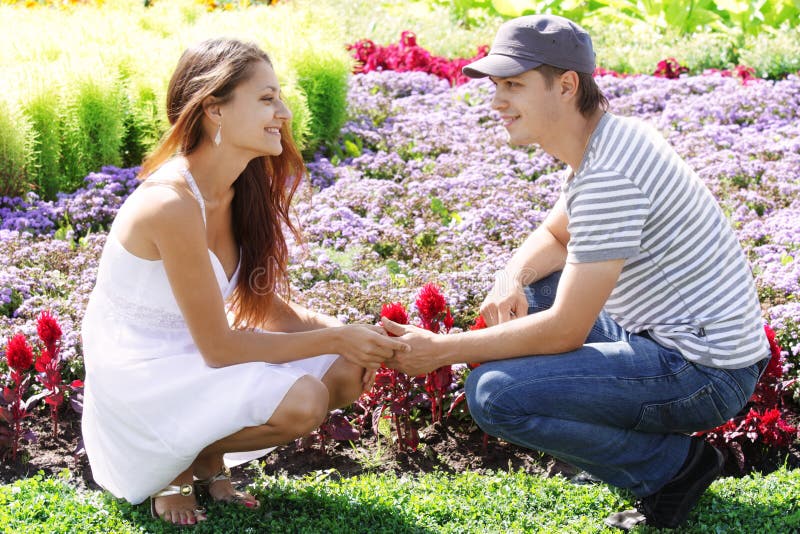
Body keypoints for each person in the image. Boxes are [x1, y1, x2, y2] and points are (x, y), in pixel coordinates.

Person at [381, 15, 770, 530]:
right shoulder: (609, 139)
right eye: (496, 86)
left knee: (495, 394)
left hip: (703, 372)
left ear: (566, 85)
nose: (496, 101)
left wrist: (442, 351)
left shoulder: (610, 173)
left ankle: (672, 469)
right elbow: (556, 236)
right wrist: (511, 279)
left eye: (513, 85)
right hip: (674, 343)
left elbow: (565, 329)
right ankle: (658, 460)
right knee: (537, 288)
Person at [80, 38, 408, 526]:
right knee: (306, 399)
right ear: (214, 109)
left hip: (196, 360)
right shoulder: (170, 204)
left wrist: (358, 338)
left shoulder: (238, 191)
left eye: (279, 98)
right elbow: (220, 349)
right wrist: (338, 336)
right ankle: (174, 466)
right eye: (266, 99)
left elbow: (264, 308)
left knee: (343, 370)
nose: (285, 112)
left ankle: (205, 456)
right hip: (143, 377)